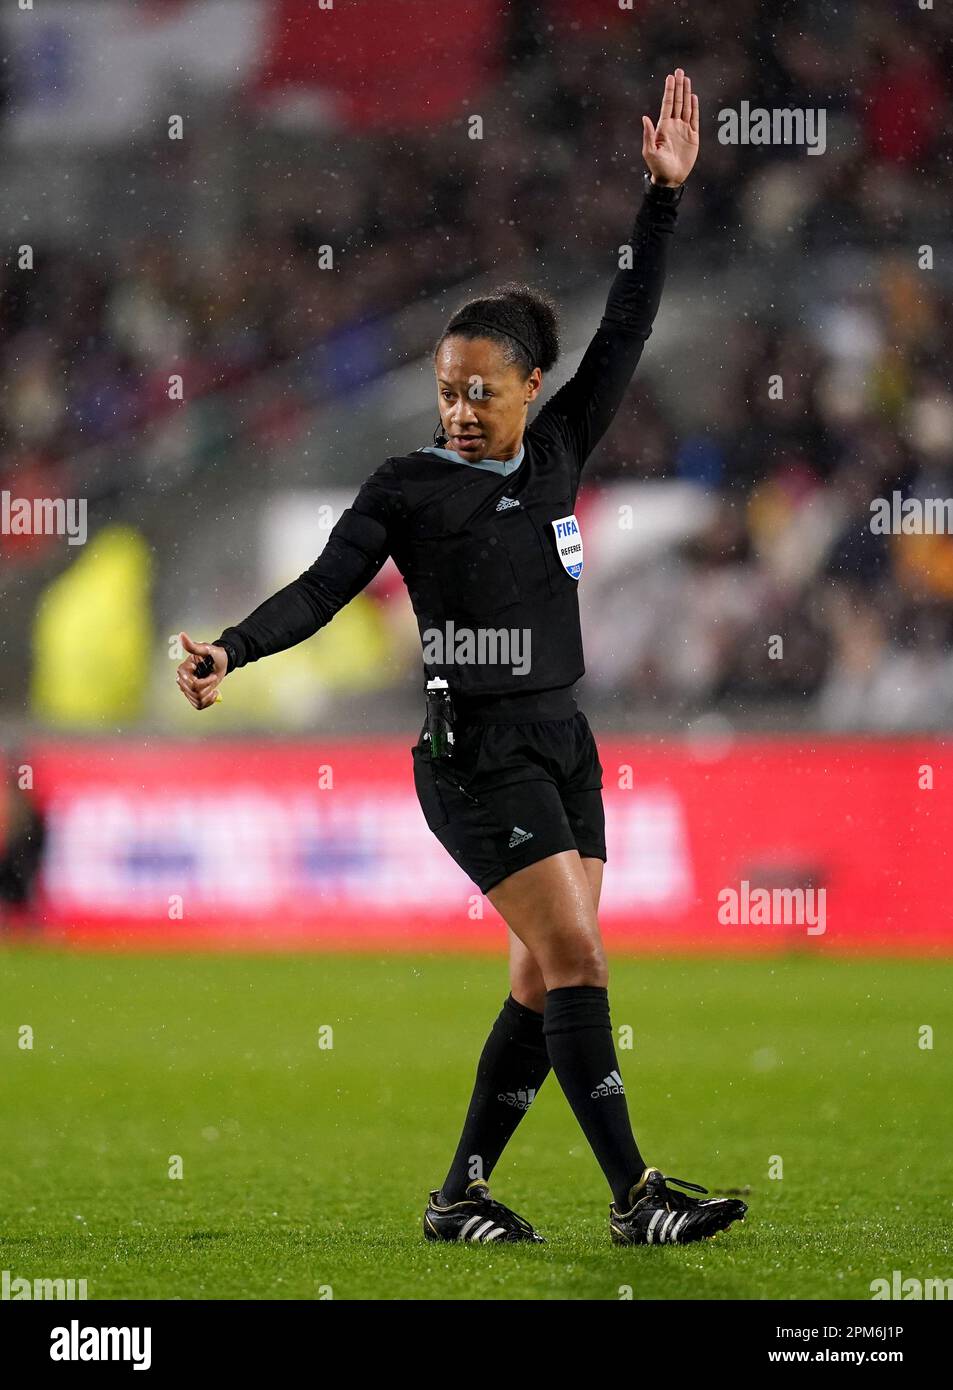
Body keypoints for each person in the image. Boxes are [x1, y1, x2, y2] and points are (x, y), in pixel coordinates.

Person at [177, 70, 747, 1246]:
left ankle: (456, 1197)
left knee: (542, 981)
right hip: (472, 755)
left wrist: (659, 198)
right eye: (446, 392)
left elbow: (628, 323)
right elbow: (325, 591)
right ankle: (634, 1197)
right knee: (577, 956)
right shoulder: (407, 489)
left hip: (563, 743)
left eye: (480, 393)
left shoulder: (557, 451)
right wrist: (233, 648)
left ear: (531, 389)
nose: (458, 411)